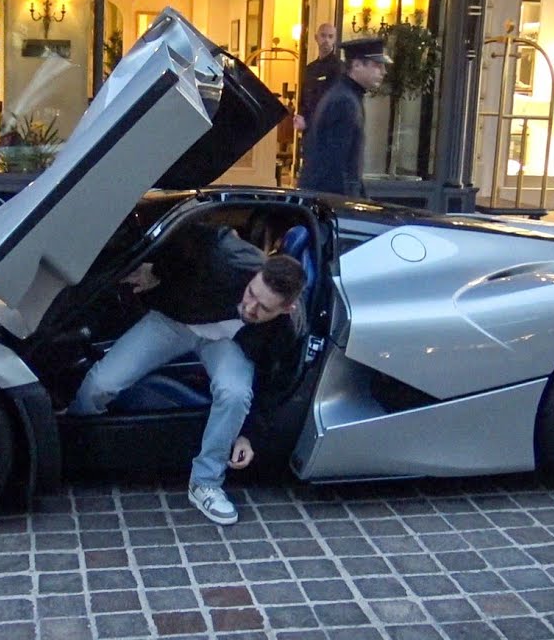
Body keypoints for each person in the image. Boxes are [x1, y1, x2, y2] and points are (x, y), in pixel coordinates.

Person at [65, 224, 307, 526]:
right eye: (251, 294)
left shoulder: (289, 328)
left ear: (287, 309)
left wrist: (249, 434)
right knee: (102, 382)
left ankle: (206, 482)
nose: (250, 306)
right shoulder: (227, 258)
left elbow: (277, 381)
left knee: (235, 394)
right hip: (177, 320)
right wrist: (157, 271)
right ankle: (70, 443)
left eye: (263, 308)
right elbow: (192, 236)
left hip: (227, 343)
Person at [297, 37, 391, 197]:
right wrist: (351, 205)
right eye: (377, 65)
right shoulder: (345, 101)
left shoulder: (347, 96)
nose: (383, 71)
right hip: (331, 201)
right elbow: (337, 167)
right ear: (356, 65)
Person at [293, 23, 341, 133]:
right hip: (308, 130)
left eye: (330, 37)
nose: (326, 40)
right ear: (316, 38)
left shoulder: (338, 67)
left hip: (326, 130)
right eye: (323, 36)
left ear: (334, 40)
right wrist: (300, 117)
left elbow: (332, 102)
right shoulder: (310, 68)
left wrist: (309, 122)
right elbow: (303, 97)